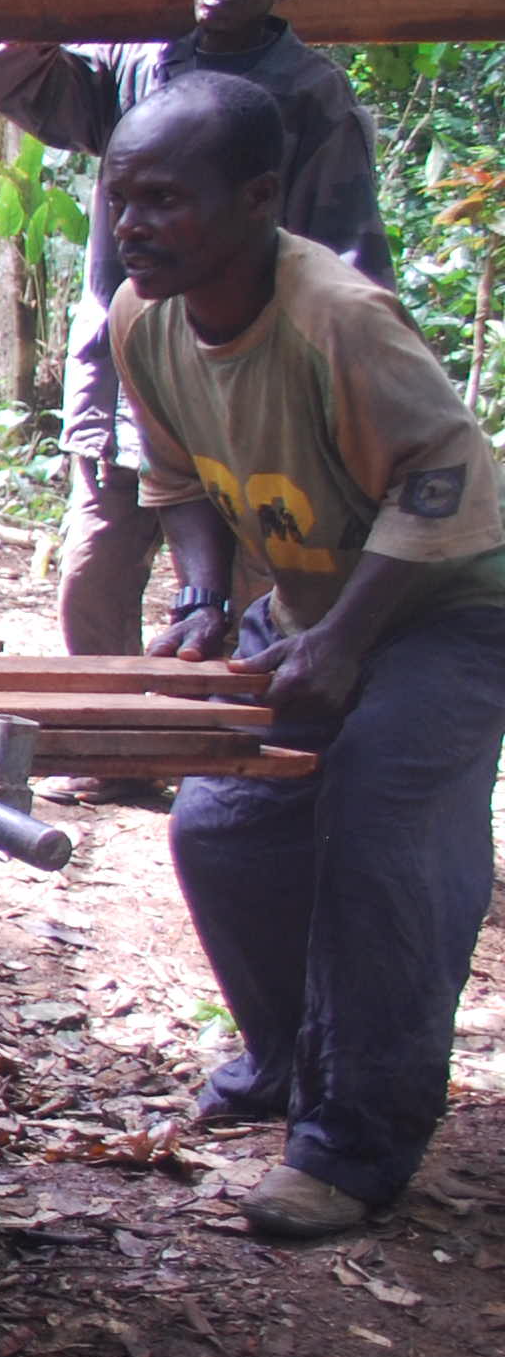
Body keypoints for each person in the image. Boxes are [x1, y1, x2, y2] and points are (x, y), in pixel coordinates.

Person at [102, 73, 505, 1239]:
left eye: (164, 200)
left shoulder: (335, 316)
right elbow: (175, 476)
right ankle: (285, 1057)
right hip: (313, 607)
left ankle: (351, 1146)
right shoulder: (144, 317)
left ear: (257, 198)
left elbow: (446, 480)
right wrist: (204, 593)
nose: (132, 225)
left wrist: (341, 638)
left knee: (383, 845)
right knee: (218, 830)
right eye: (120, 198)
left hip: (446, 608)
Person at [0, 0, 389, 689]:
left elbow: (348, 242)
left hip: (249, 362)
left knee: (253, 557)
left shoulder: (309, 95)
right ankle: (107, 730)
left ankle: (221, 732)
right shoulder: (141, 61)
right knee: (102, 544)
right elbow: (1, 70)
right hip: (128, 355)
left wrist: (341, 376)